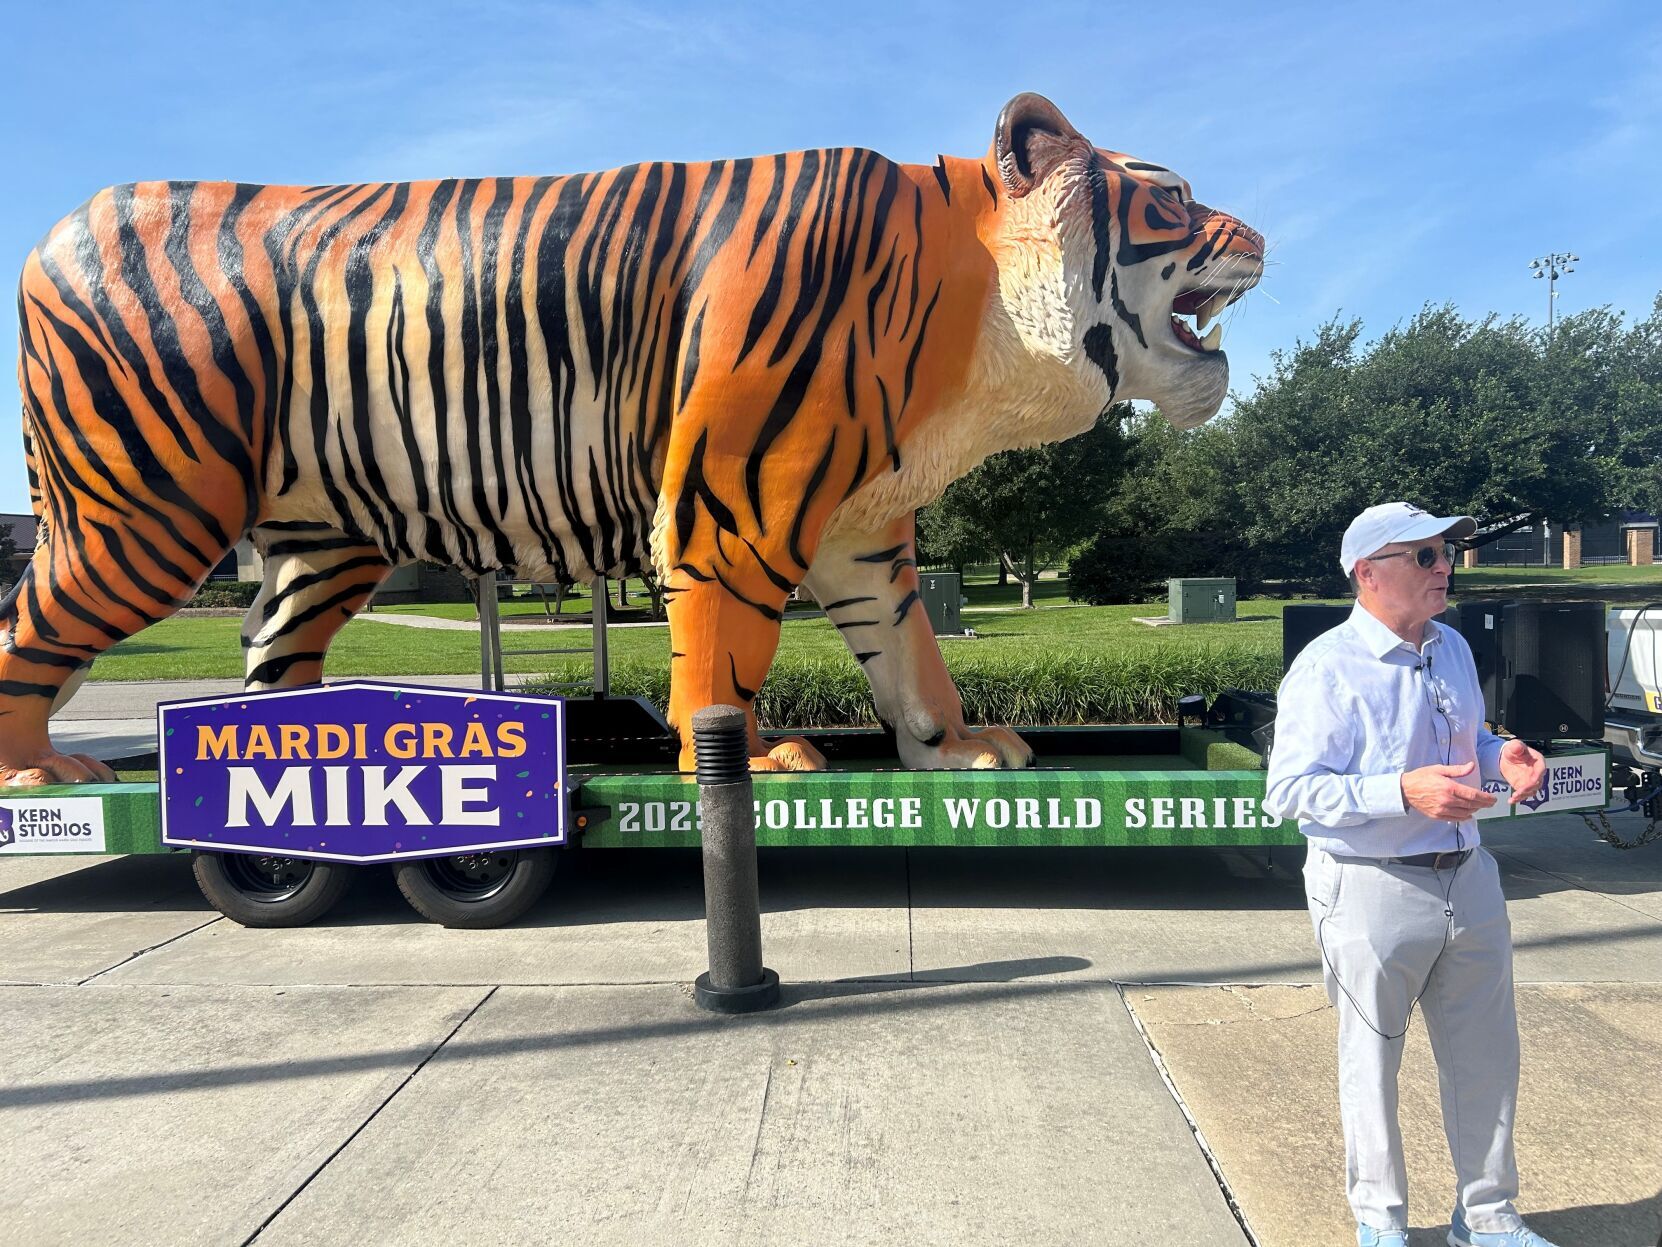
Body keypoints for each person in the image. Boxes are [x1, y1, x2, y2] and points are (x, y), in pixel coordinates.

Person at [1264, 502, 1554, 1247]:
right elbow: (1290, 792)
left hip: (1468, 876)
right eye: (1422, 555)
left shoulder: (1451, 647)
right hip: (1369, 885)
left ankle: (1486, 1220)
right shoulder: (1326, 668)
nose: (1444, 566)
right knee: (1371, 1063)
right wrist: (1400, 790)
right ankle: (1382, 1222)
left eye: (1445, 551)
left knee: (1488, 1057)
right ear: (1367, 573)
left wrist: (1501, 755)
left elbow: (1466, 742)